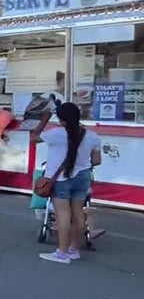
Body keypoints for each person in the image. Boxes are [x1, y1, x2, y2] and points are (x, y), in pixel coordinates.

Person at [31, 102, 102, 264]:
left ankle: (62, 253)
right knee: (78, 213)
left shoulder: (55, 134)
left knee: (63, 214)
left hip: (61, 179)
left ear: (61, 119)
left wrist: (44, 119)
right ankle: (73, 249)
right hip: (82, 178)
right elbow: (96, 161)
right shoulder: (92, 136)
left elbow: (33, 138)